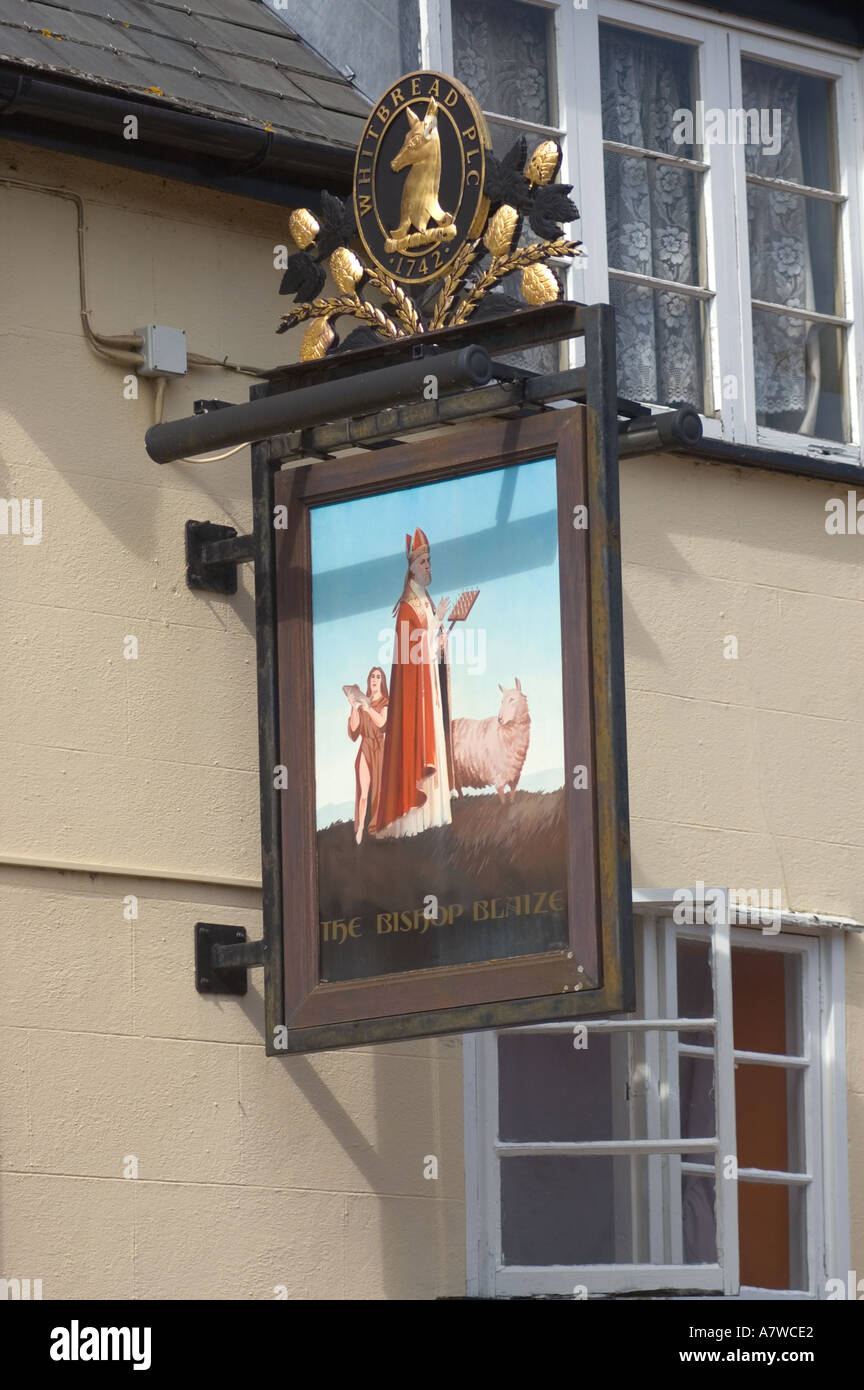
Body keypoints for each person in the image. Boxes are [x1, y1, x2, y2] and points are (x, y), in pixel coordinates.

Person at [373, 528, 453, 838]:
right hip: (416, 695)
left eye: (430, 561)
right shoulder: (407, 608)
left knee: (433, 737)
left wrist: (440, 634)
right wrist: (435, 637)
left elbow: (427, 648)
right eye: (424, 562)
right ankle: (412, 822)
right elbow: (411, 656)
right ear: (412, 567)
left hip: (428, 688)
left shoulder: (424, 601)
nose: (429, 567)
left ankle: (434, 814)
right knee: (418, 742)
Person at [346, 667, 389, 845]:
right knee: (364, 792)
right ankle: (361, 828)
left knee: (379, 791)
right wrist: (353, 707)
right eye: (372, 676)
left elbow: (382, 722)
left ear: (382, 681)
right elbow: (354, 730)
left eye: (378, 677)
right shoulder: (363, 701)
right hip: (365, 747)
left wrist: (368, 709)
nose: (375, 679)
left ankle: (377, 827)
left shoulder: (385, 701)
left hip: (379, 748)